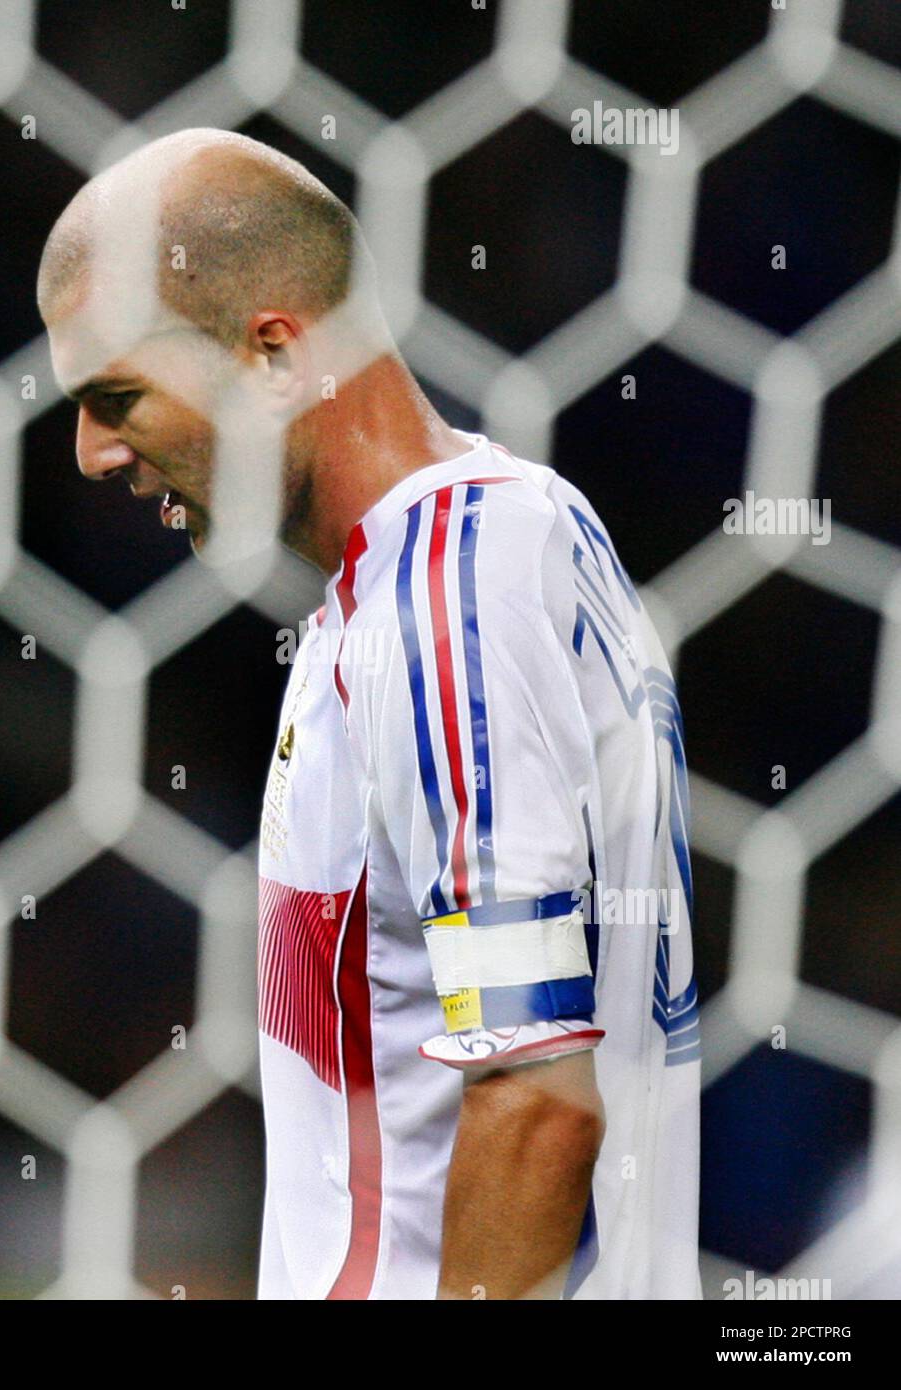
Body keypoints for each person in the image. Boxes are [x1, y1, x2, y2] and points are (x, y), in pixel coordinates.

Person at [38, 127, 701, 1300]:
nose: (91, 452)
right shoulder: (453, 564)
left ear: (276, 354)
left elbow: (535, 1102)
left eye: (116, 394)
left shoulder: (448, 591)